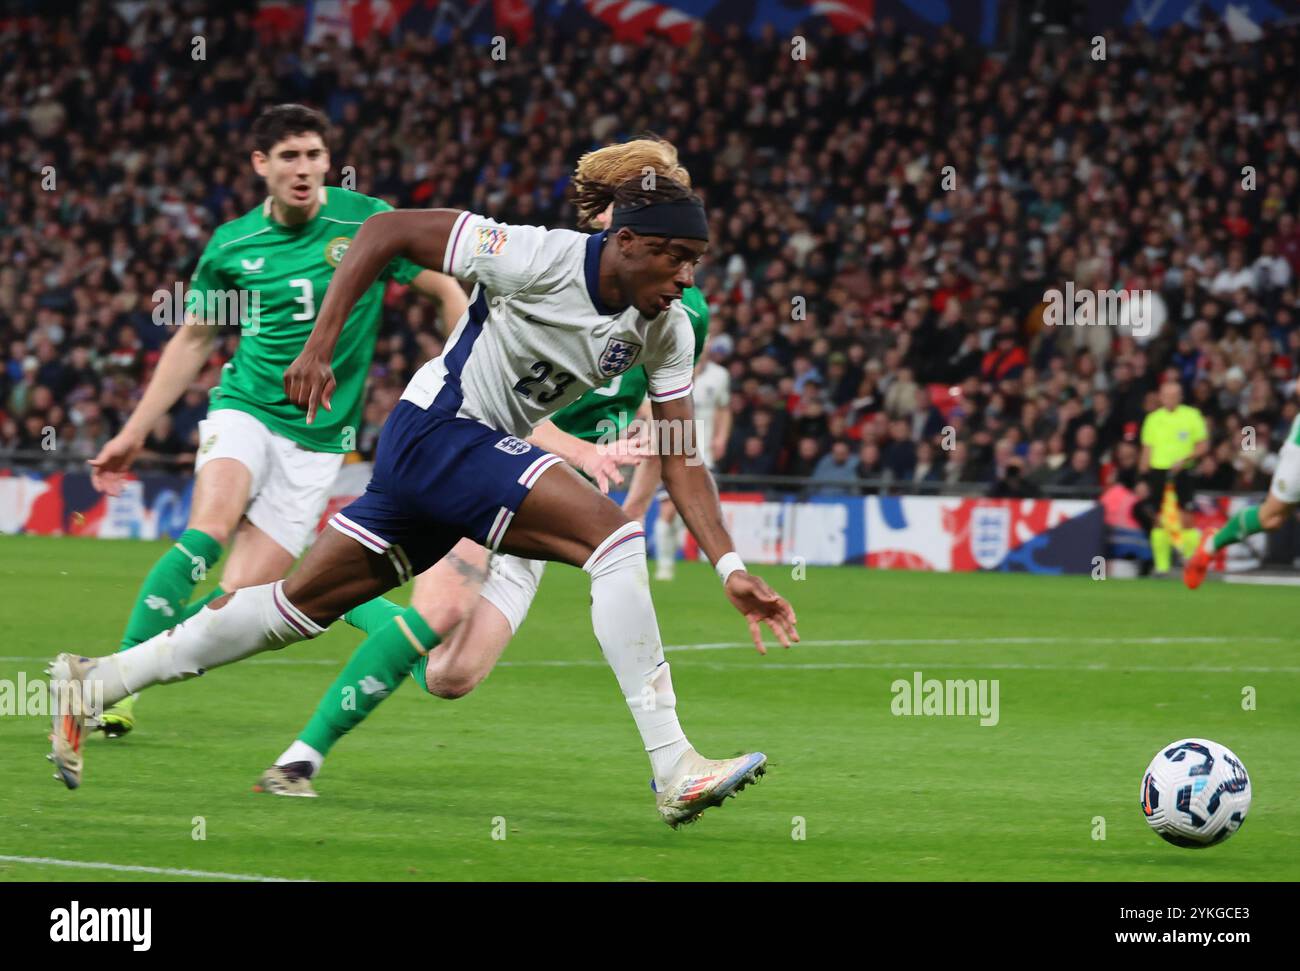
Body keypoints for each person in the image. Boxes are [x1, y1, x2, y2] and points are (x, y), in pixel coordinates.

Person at [47, 177, 799, 829]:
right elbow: (385, 230)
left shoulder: (666, 328)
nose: (686, 280)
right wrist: (320, 341)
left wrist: (729, 564)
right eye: (678, 259)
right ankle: (673, 766)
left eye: (696, 263)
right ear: (629, 241)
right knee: (614, 541)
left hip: (457, 460)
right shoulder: (537, 254)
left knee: (293, 607)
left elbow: (682, 455)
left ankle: (99, 679)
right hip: (439, 430)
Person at [256, 137, 714, 798]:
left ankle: (349, 598)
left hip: (557, 501)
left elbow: (664, 433)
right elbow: (516, 399)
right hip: (483, 455)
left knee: (451, 676)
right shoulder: (548, 263)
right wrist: (580, 451)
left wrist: (635, 503)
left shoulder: (674, 309)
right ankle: (300, 758)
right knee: (440, 610)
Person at [83, 105, 469, 737]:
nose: (305, 169)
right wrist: (133, 431)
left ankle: (113, 674)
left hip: (318, 443)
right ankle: (114, 695)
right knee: (207, 532)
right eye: (289, 156)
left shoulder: (365, 220)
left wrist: (460, 376)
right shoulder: (233, 245)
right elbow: (193, 340)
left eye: (314, 155)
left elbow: (445, 289)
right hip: (245, 408)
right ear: (261, 165)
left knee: (241, 600)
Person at [1184, 411, 1300, 589]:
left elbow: (1250, 461)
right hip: (1288, 462)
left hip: (1255, 478)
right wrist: (1238, 456)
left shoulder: (1256, 436)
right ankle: (1211, 544)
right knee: (1271, 520)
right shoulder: (1247, 430)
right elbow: (1245, 460)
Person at [1138, 380, 1208, 576]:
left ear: (1181, 396)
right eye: (1167, 395)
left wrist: (1185, 459)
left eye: (1174, 395)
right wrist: (1142, 478)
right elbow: (1146, 450)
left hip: (1183, 471)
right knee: (1158, 519)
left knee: (1187, 518)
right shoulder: (1153, 419)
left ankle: (1191, 564)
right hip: (1158, 471)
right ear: (1161, 397)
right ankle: (1162, 567)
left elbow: (1202, 446)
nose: (1170, 399)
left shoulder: (1192, 416)